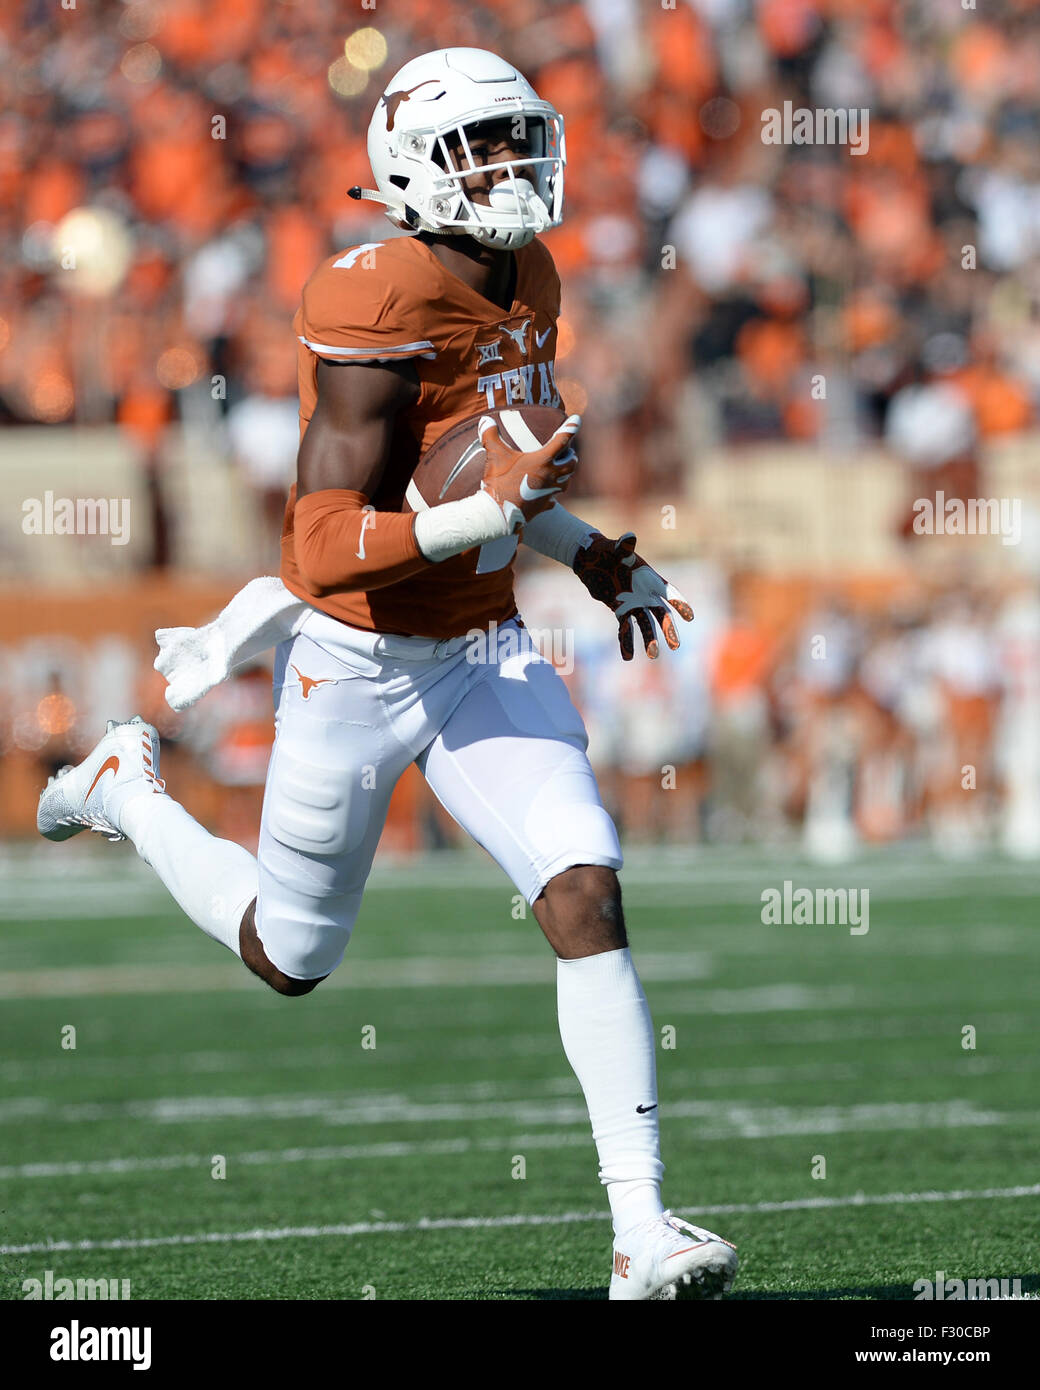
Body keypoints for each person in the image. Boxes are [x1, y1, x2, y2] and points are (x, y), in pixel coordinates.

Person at [36, 47, 736, 1302]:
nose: (514, 167)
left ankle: (640, 1231)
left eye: (522, 138)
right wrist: (496, 517)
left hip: (479, 647)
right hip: (354, 658)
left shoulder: (533, 271)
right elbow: (315, 546)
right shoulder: (374, 304)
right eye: (482, 147)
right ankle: (124, 791)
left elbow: (505, 473)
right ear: (414, 170)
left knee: (583, 886)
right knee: (289, 956)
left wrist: (584, 554)